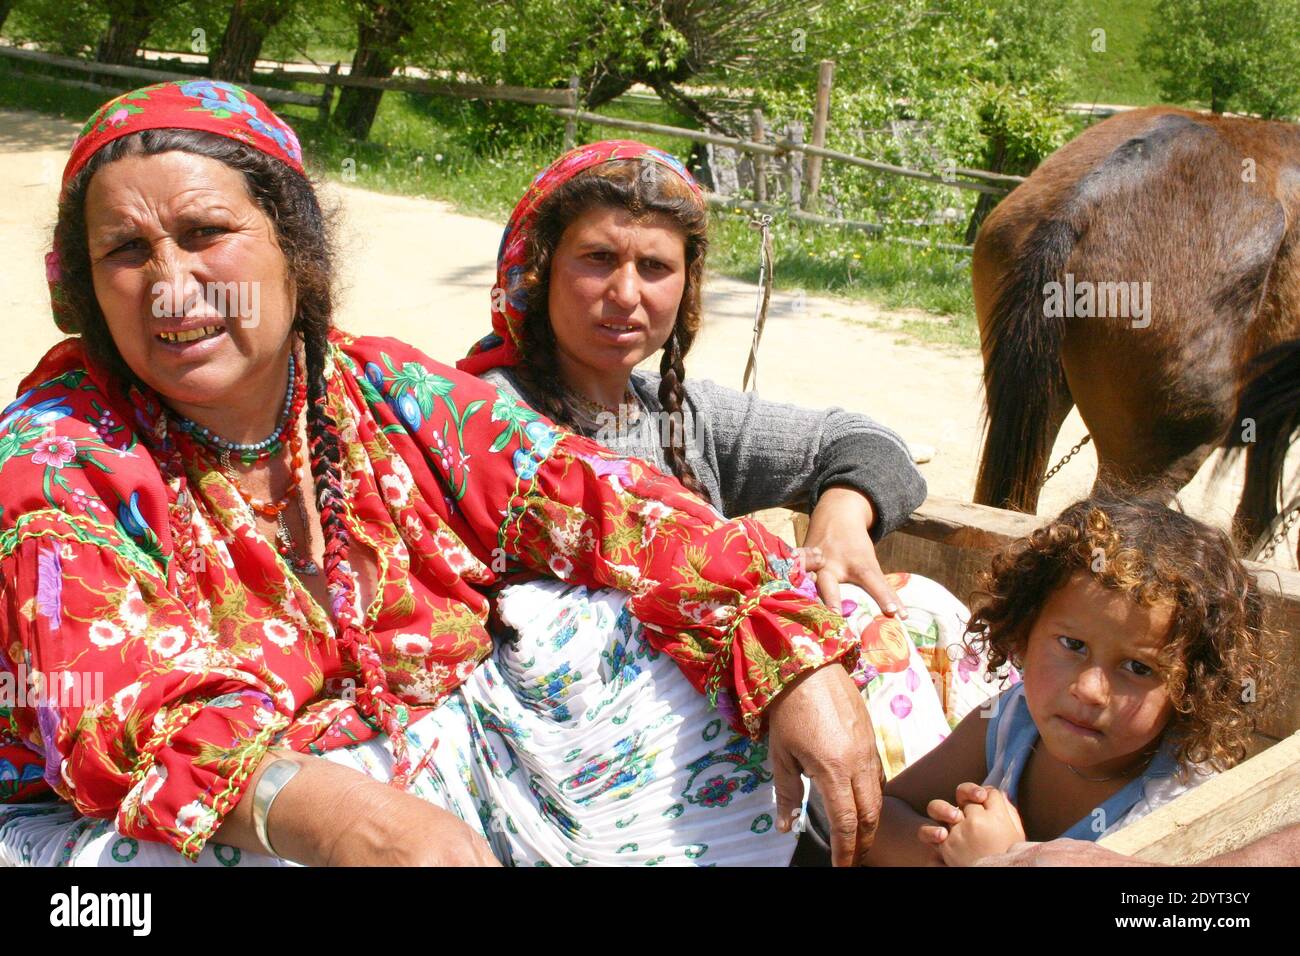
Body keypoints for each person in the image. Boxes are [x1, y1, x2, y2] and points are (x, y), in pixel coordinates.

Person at [0, 81, 883, 868]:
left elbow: (600, 497)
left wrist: (792, 655)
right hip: (240, 819)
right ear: (86, 282)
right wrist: (337, 816)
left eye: (205, 234)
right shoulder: (54, 457)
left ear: (292, 249)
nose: (170, 285)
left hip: (439, 773)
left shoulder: (383, 388)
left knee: (687, 632)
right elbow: (114, 707)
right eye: (126, 251)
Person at [459, 142, 1001, 781]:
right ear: (539, 271)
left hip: (723, 701)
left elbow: (866, 442)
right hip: (594, 747)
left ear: (685, 291)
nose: (626, 292)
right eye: (598, 258)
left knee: (924, 610)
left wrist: (842, 520)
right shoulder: (482, 416)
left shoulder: (684, 418)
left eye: (656, 267)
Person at [863, 492, 1279, 865]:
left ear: (1192, 690)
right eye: (1072, 645)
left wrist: (999, 863)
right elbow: (882, 814)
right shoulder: (1010, 720)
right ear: (1024, 631)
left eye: (1138, 668)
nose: (1089, 689)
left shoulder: (1179, 806)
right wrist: (942, 855)